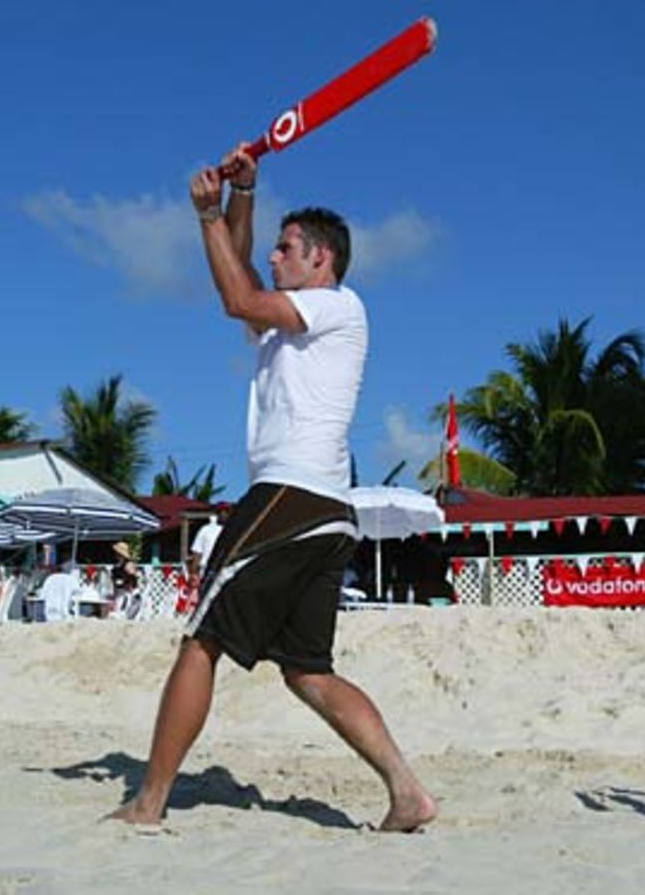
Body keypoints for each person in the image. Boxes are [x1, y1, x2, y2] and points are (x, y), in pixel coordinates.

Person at [109, 145, 435, 832]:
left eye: (288, 249)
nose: (277, 258)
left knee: (201, 642)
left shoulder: (340, 307)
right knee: (308, 672)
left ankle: (149, 801)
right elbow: (244, 280)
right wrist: (245, 194)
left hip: (291, 495)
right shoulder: (290, 330)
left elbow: (236, 295)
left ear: (321, 260)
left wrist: (204, 215)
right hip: (328, 510)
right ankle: (408, 792)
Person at [108, 541, 142, 619]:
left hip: (130, 594)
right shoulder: (116, 566)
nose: (115, 555)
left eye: (117, 553)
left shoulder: (128, 564)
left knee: (125, 616)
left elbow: (133, 579)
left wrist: (126, 582)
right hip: (120, 593)